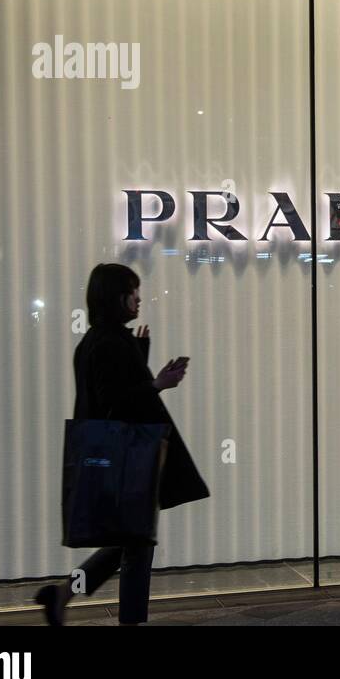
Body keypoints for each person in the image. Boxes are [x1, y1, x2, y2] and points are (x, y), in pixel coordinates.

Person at [35, 263, 209, 625]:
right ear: (116, 297)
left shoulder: (100, 340)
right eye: (132, 291)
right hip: (129, 459)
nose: (139, 298)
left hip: (121, 457)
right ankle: (130, 620)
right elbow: (114, 402)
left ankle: (64, 594)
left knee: (130, 538)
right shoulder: (108, 342)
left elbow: (112, 396)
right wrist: (157, 383)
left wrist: (141, 359)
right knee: (137, 544)